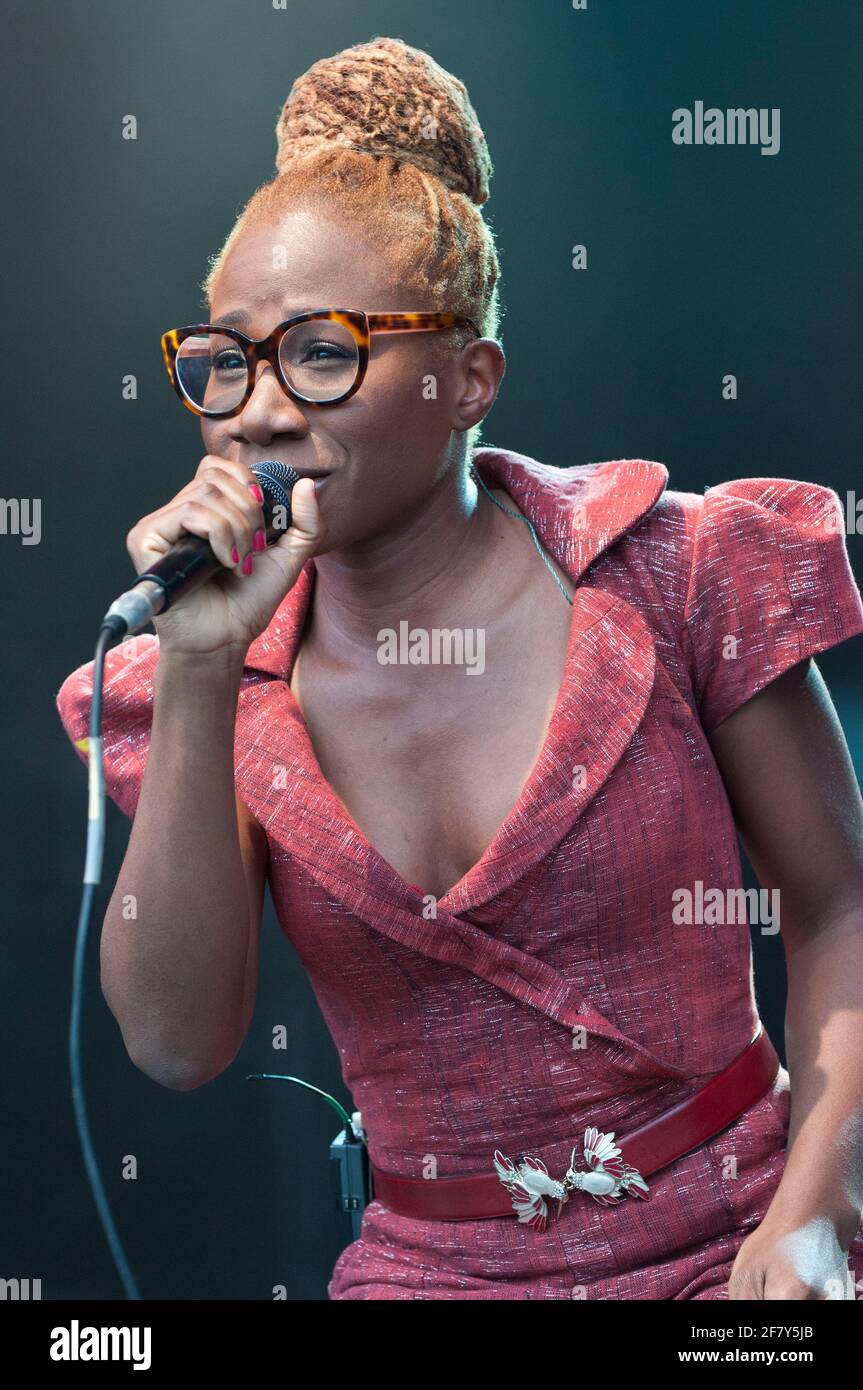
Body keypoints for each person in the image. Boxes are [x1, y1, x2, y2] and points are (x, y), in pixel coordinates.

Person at [56, 36, 863, 1300]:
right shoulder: (215, 688)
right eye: (224, 361)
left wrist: (818, 1205)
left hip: (749, 1241)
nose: (259, 411)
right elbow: (173, 1043)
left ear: (464, 378)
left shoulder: (679, 571)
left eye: (322, 352)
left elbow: (840, 911)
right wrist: (205, 664)